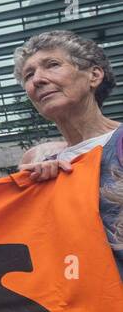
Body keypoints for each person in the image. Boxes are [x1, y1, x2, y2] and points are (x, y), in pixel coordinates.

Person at [13, 30, 123, 279]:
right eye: (28, 75)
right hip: (83, 304)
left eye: (52, 65)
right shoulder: (35, 159)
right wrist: (26, 195)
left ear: (94, 76)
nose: (37, 80)